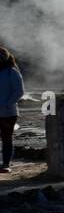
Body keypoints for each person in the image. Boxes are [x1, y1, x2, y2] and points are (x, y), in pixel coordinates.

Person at [0, 47, 24, 175]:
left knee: (6, 138)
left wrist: (5, 104)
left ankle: (6, 164)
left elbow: (19, 92)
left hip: (8, 112)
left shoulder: (12, 72)